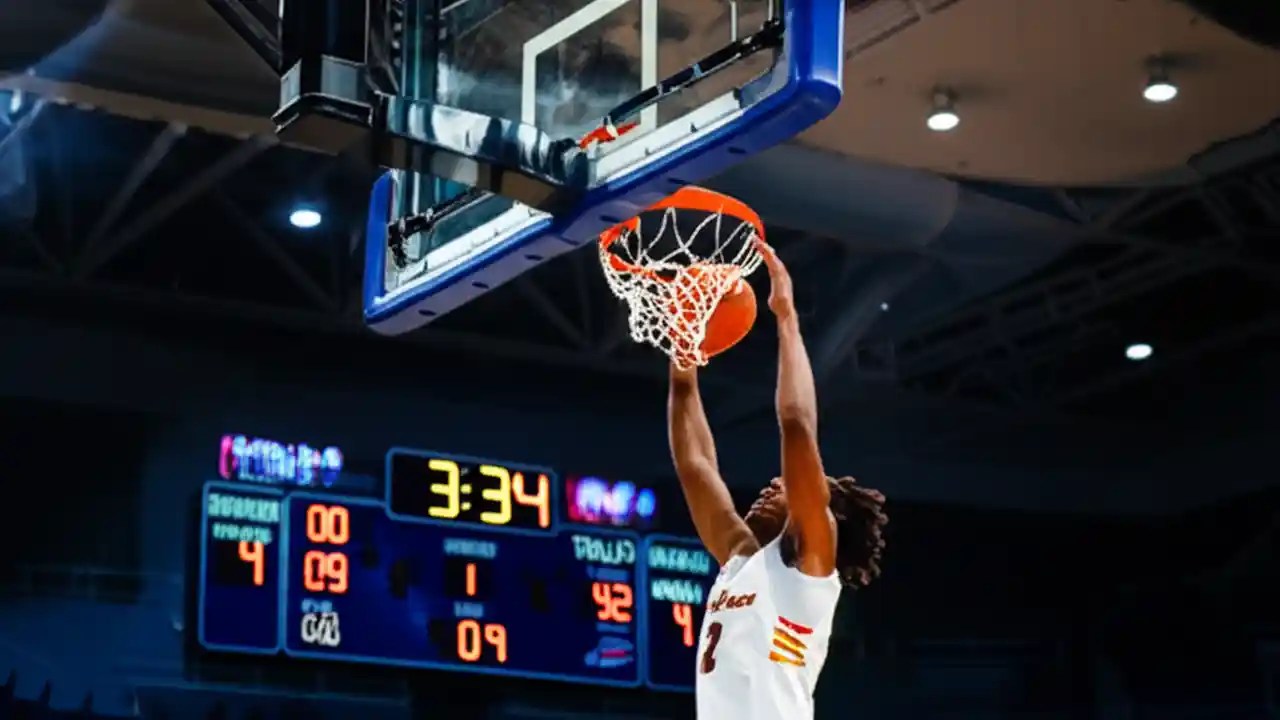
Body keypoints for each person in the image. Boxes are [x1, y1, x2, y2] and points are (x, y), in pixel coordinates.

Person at [667, 239, 889, 719]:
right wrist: (684, 349)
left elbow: (796, 424)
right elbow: (694, 464)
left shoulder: (811, 567)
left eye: (792, 484)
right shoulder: (741, 560)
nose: (774, 482)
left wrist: (786, 317)